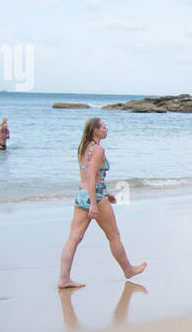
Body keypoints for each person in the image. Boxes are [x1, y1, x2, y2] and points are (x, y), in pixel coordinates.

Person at [58, 118, 146, 289]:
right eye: (104, 127)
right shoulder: (98, 149)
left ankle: (63, 279)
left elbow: (89, 177)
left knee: (73, 238)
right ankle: (128, 269)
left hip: (82, 195)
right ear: (95, 131)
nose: (107, 129)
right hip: (95, 197)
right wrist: (94, 203)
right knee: (114, 235)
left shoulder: (84, 148)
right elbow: (92, 176)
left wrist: (107, 194)